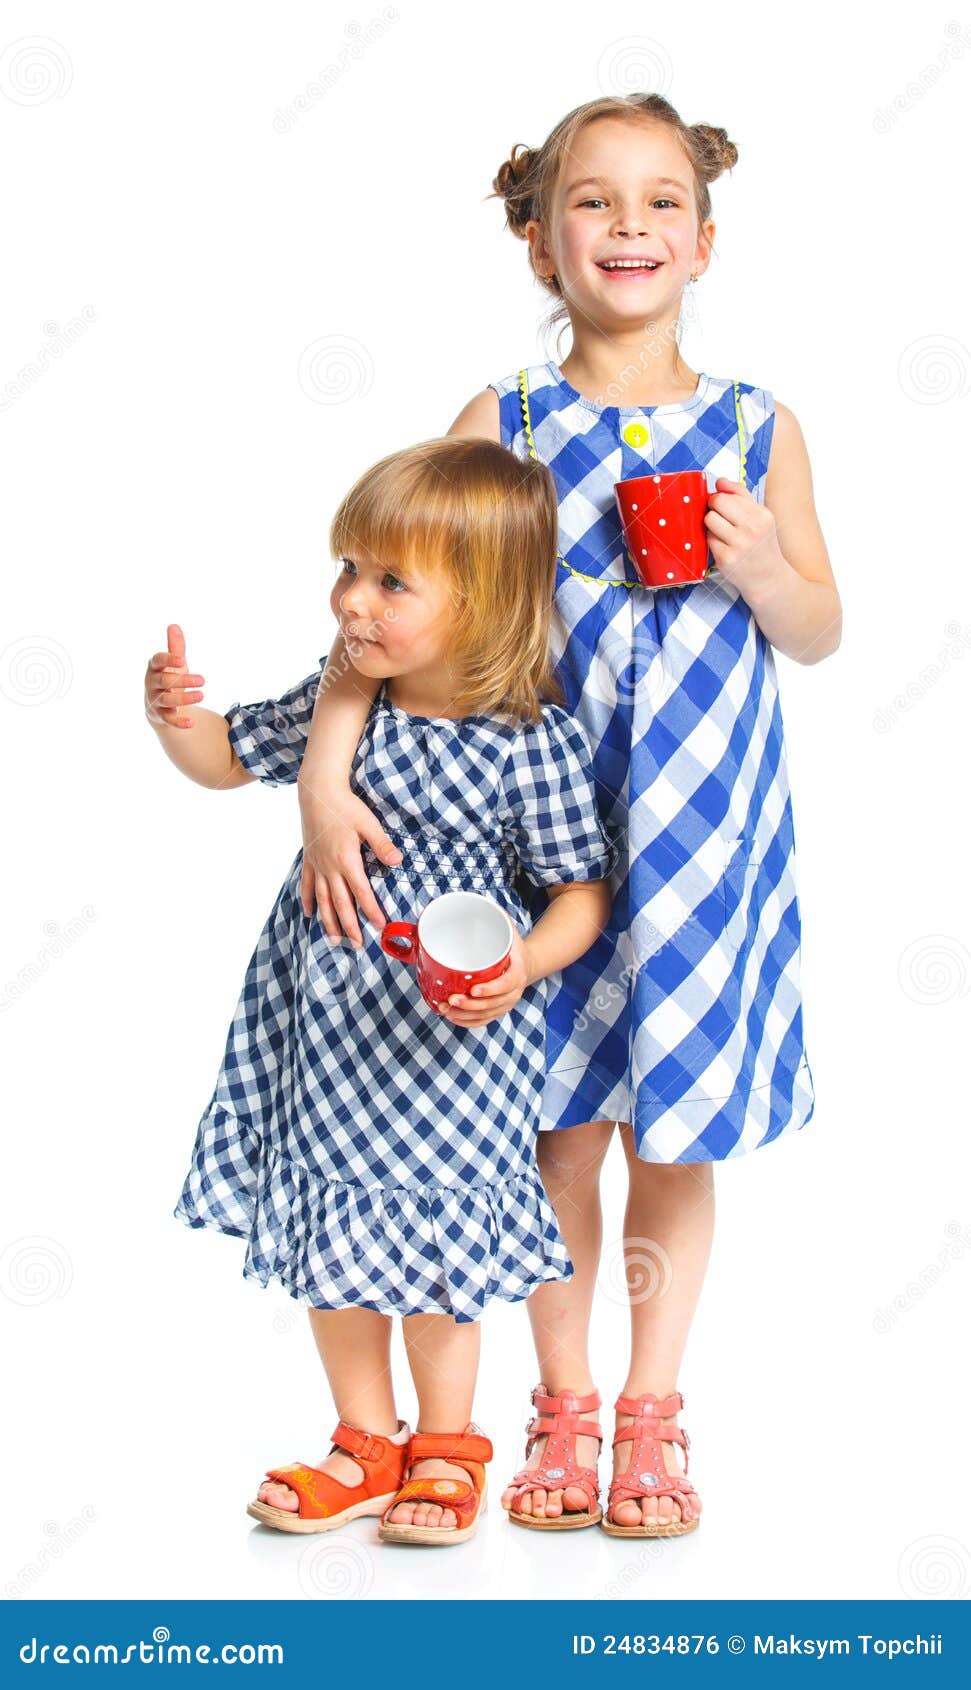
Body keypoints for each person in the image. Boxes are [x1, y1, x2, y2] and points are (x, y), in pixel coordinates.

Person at [291, 93, 842, 1538]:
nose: (627, 227)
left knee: (671, 1128)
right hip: (526, 832)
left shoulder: (753, 425)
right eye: (590, 202)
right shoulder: (505, 421)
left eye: (659, 202)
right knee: (545, 1123)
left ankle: (651, 1410)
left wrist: (758, 567)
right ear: (540, 245)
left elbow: (821, 625)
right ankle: (556, 1403)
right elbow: (388, 630)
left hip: (698, 825)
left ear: (704, 243)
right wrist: (318, 776)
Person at [145, 438, 616, 1545]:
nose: (350, 599)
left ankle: (446, 1446)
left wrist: (523, 968)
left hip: (455, 1045)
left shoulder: (528, 743)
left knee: (436, 1246)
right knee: (337, 1239)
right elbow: (225, 757)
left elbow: (578, 897)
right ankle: (364, 1440)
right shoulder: (338, 704)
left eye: (389, 580)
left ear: (487, 600)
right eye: (347, 566)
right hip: (331, 1028)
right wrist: (173, 720)